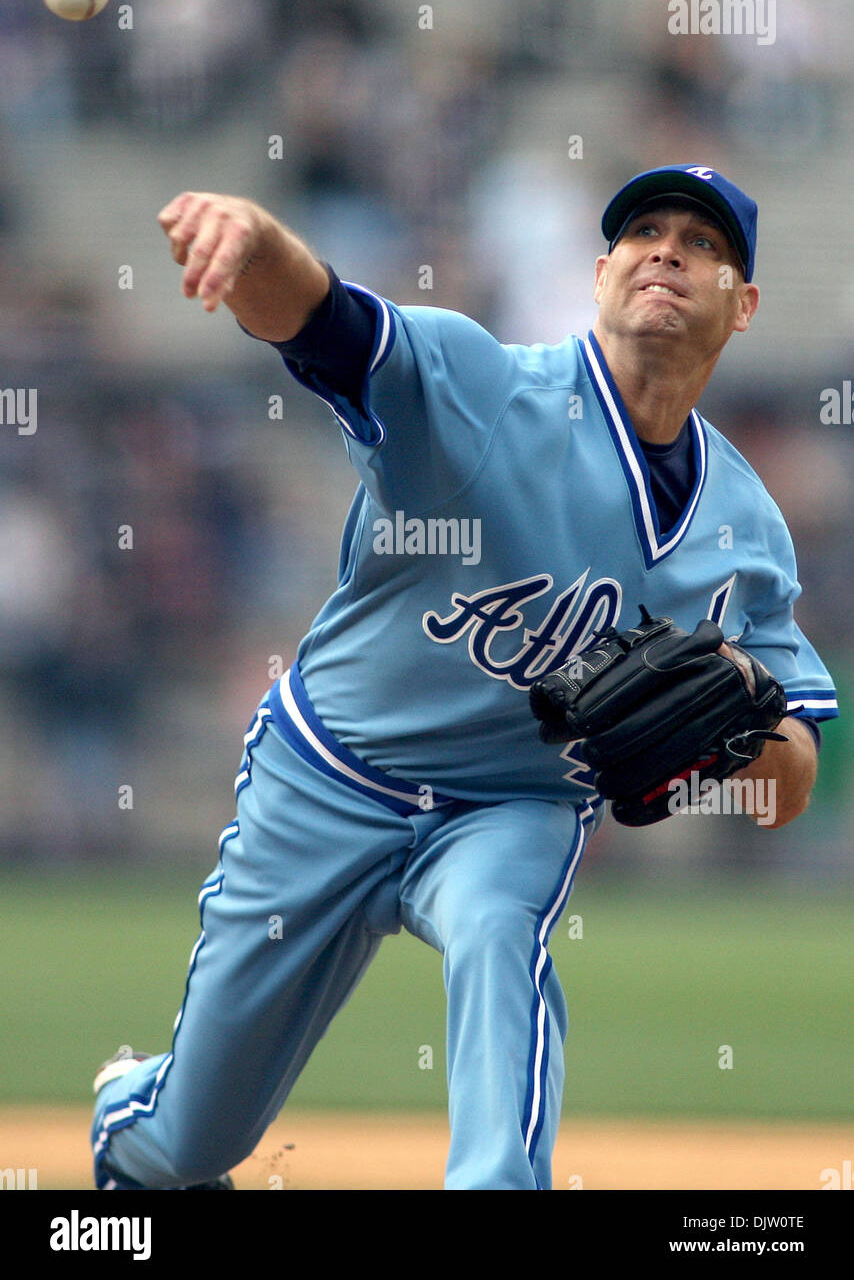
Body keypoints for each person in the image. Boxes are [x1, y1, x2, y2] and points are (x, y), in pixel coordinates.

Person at [90, 164, 836, 1191]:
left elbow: (789, 780)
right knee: (185, 1148)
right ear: (600, 272)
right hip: (329, 778)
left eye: (702, 244)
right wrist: (255, 237)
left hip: (511, 804)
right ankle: (132, 1102)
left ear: (740, 304)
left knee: (497, 929)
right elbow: (323, 321)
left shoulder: (743, 527)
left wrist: (745, 720)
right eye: (644, 232)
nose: (666, 250)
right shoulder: (480, 385)